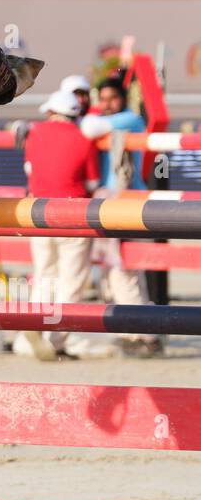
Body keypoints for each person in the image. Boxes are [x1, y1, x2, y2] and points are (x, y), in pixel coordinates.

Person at [80, 75, 160, 356]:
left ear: (123, 99)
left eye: (112, 98)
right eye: (102, 98)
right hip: (112, 205)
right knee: (117, 272)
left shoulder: (131, 119)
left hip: (127, 204)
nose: (107, 104)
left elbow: (89, 127)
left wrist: (91, 109)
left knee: (126, 270)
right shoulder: (115, 121)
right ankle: (137, 333)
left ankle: (142, 333)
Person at [20, 89, 101, 359]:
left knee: (44, 275)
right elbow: (92, 184)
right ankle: (57, 339)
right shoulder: (84, 140)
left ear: (53, 112)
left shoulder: (35, 134)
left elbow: (30, 171)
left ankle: (33, 323)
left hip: (39, 212)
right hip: (74, 214)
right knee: (72, 280)